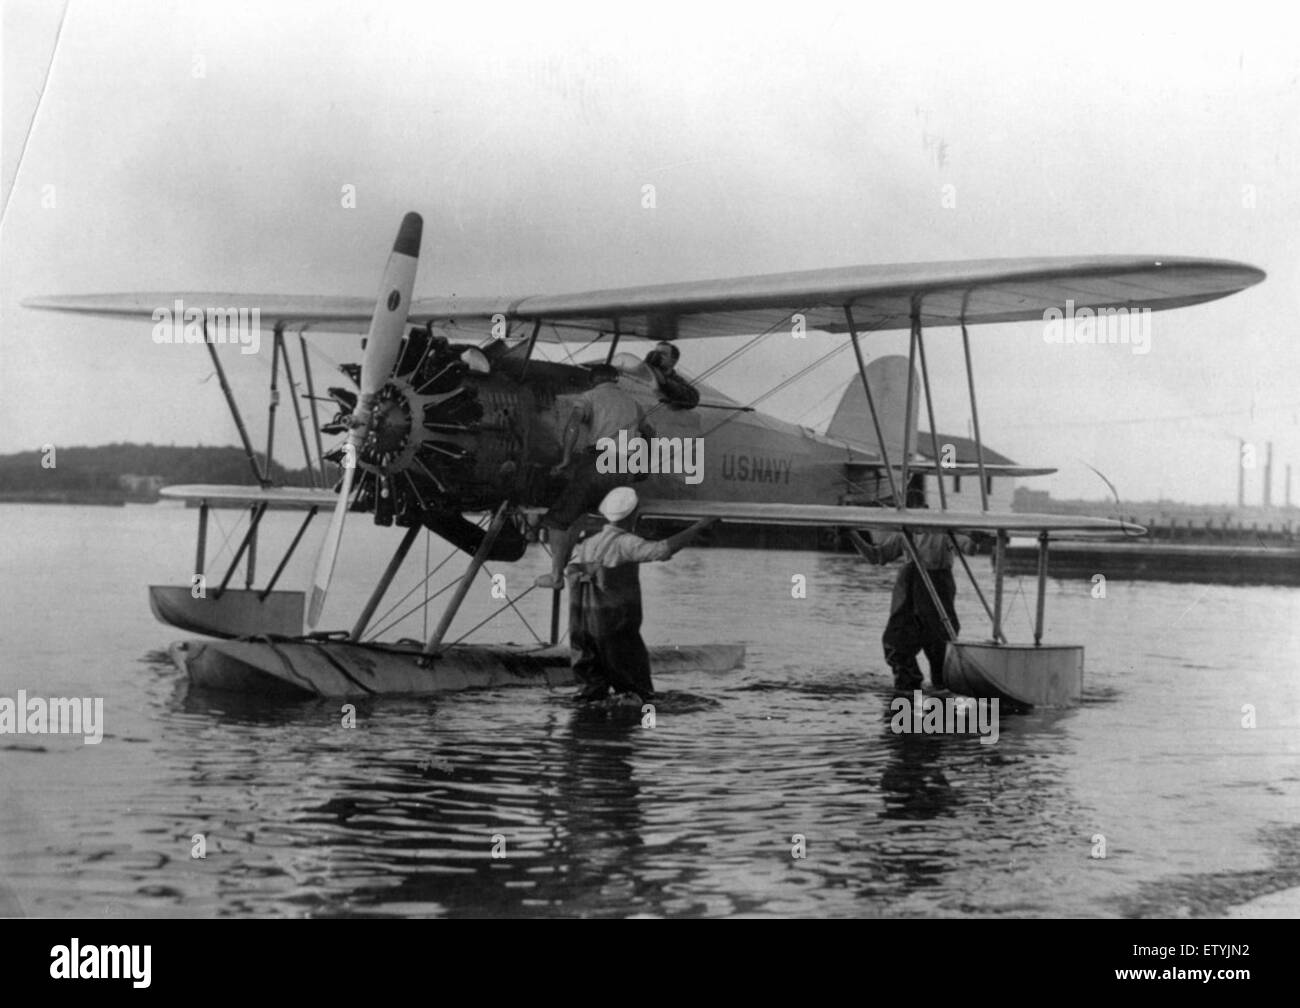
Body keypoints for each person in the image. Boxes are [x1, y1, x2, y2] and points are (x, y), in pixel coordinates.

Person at [566, 487, 715, 704]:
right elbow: (661, 550)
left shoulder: (586, 545)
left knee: (590, 694)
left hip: (581, 633)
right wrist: (698, 527)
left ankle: (588, 731)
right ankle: (633, 731)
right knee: (637, 695)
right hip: (615, 632)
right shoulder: (626, 543)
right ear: (634, 514)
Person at [536, 363, 655, 590]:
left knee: (557, 520)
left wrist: (566, 459)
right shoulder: (633, 403)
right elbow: (650, 434)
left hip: (599, 463)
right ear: (615, 380)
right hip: (625, 468)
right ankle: (603, 576)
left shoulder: (587, 398)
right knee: (589, 514)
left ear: (593, 380)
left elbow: (573, 426)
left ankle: (556, 576)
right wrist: (644, 464)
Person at [856, 485, 976, 692]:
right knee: (896, 642)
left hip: (937, 588)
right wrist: (852, 536)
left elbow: (967, 546)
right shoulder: (904, 533)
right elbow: (877, 556)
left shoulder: (942, 530)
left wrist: (975, 539)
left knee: (939, 645)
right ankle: (908, 686)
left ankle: (942, 687)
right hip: (910, 590)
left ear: (926, 508)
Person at [644, 341, 700, 410]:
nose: (657, 356)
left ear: (672, 361)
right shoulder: (645, 371)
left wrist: (665, 383)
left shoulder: (676, 379)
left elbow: (693, 398)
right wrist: (645, 364)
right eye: (655, 352)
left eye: (663, 354)